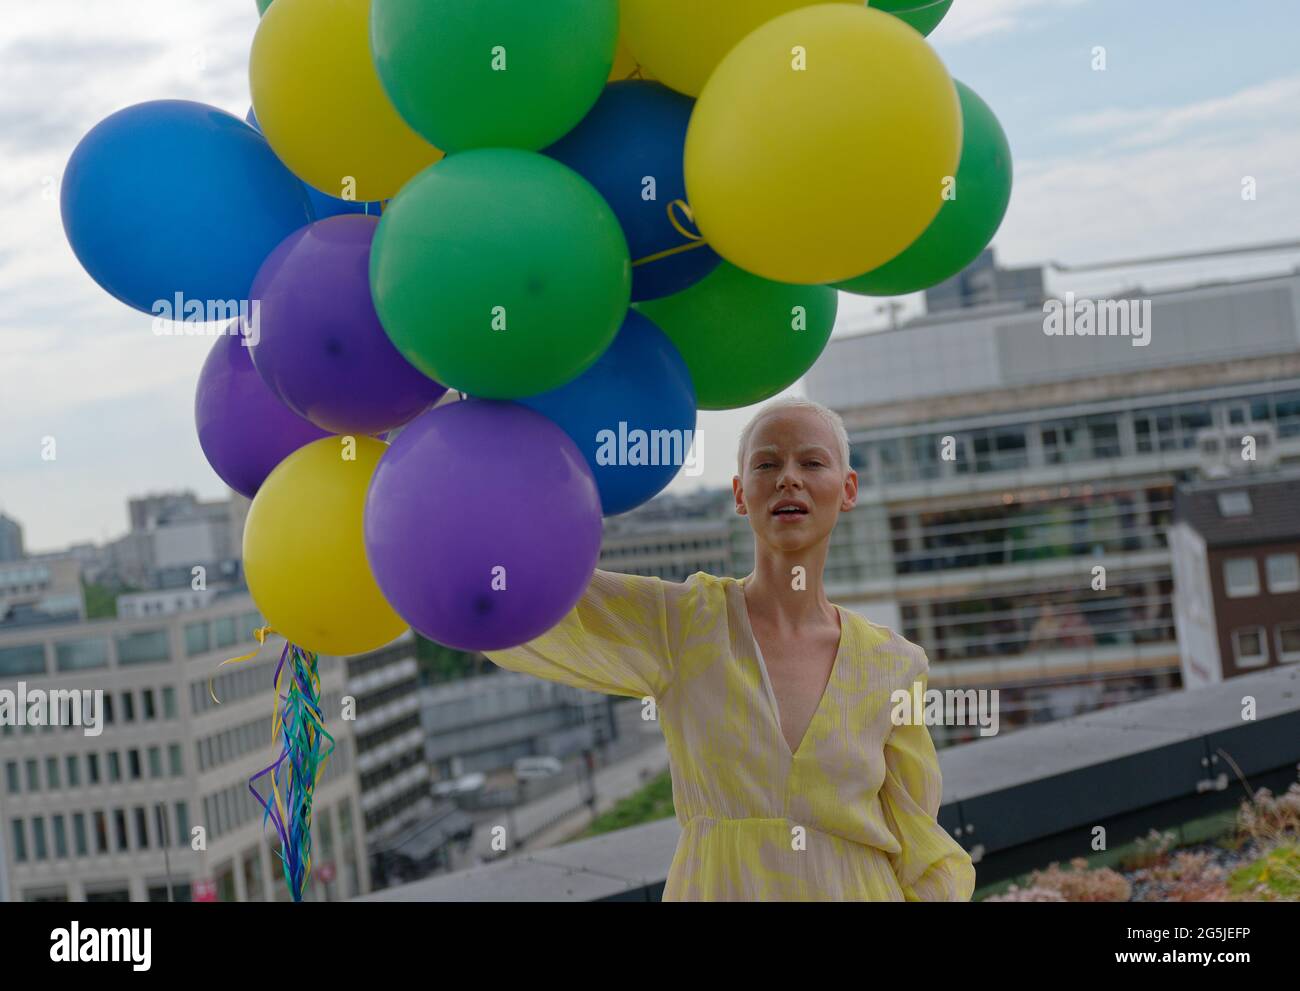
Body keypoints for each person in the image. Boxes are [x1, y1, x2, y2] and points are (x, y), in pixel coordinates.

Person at [483, 397, 975, 901]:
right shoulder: (684, 623)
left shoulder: (896, 665)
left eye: (811, 462)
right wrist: (486, 453)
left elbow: (921, 847)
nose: (788, 478)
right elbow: (534, 603)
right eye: (767, 463)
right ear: (740, 494)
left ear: (847, 490)